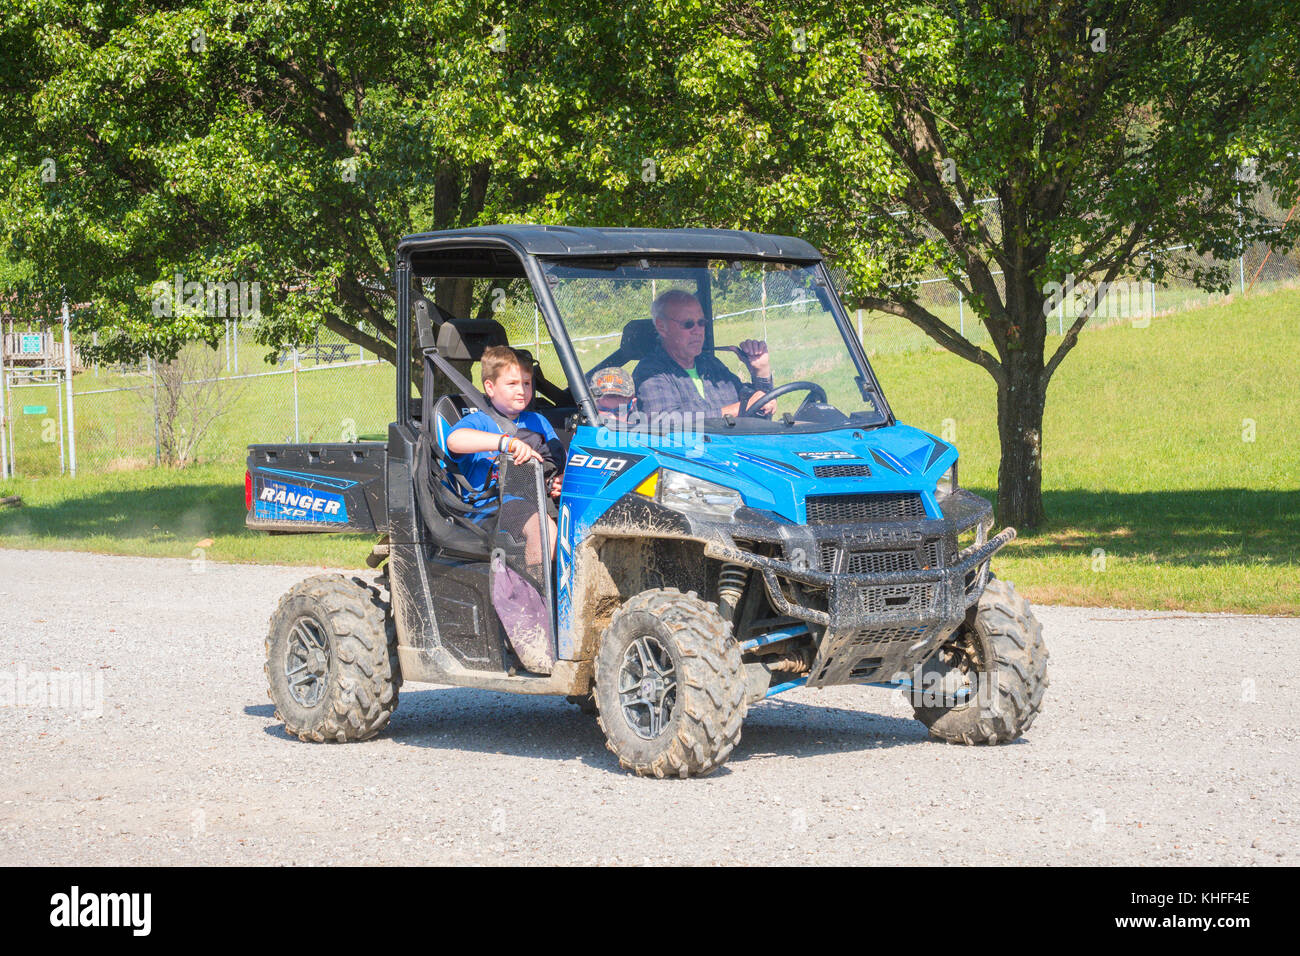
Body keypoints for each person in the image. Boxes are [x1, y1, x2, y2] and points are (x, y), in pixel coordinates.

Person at [445, 345, 562, 568]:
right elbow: (454, 440)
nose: (522, 390)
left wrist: (561, 479)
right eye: (512, 384)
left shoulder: (538, 421)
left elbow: (557, 459)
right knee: (543, 531)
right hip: (493, 506)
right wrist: (506, 443)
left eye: (526, 383)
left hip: (538, 499)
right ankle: (535, 595)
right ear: (490, 387)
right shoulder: (479, 421)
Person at [633, 288, 776, 418]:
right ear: (662, 327)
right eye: (688, 324)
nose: (698, 331)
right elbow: (667, 423)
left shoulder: (711, 365)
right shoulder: (650, 371)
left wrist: (761, 372)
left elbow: (760, 412)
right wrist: (738, 410)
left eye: (701, 323)